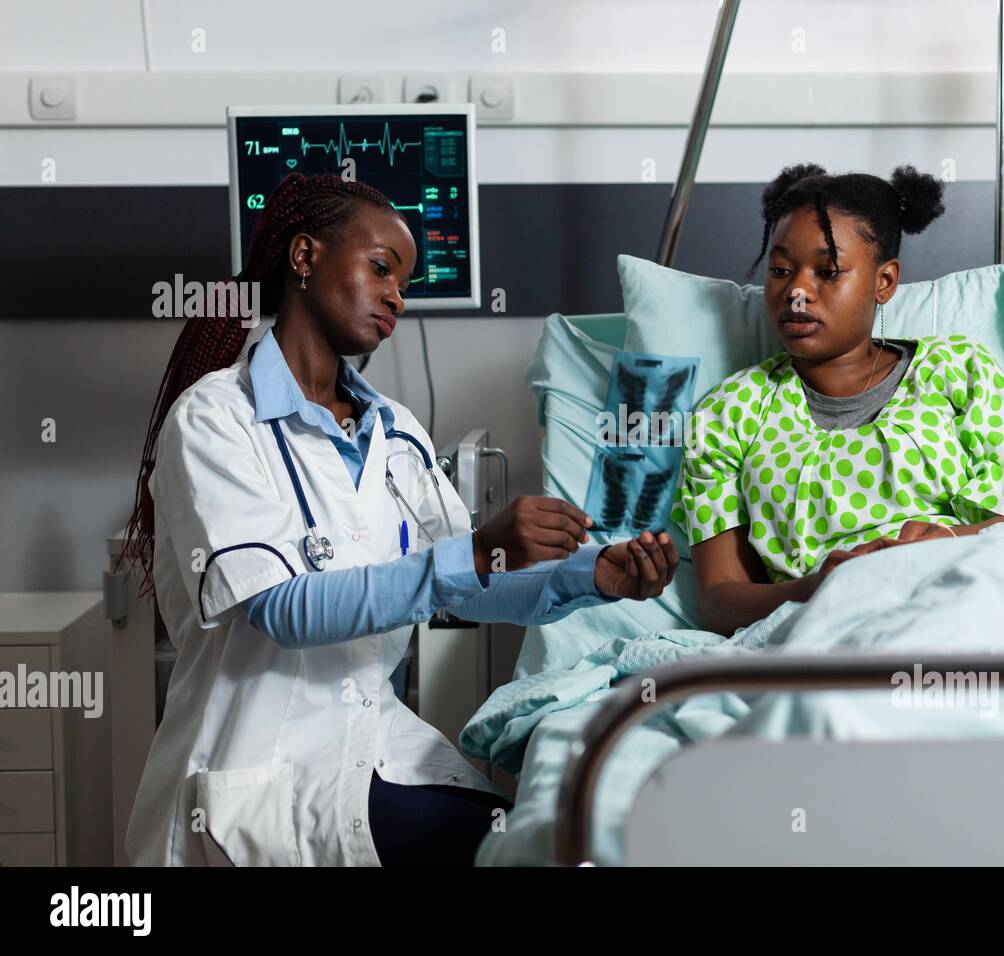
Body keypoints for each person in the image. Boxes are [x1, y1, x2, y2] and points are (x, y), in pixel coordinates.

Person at [121, 173, 678, 866]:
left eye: (405, 284)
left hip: (375, 752)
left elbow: (470, 586)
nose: (396, 297)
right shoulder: (214, 419)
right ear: (304, 258)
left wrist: (590, 577)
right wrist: (475, 551)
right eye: (380, 268)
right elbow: (283, 611)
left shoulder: (396, 433)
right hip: (260, 775)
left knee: (549, 844)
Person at [672, 163, 1004, 636]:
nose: (797, 290)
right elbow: (718, 599)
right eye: (780, 270)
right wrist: (819, 587)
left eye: (828, 271)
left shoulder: (958, 373)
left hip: (974, 597)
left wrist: (932, 547)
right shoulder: (728, 413)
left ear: (885, 282)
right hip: (830, 627)